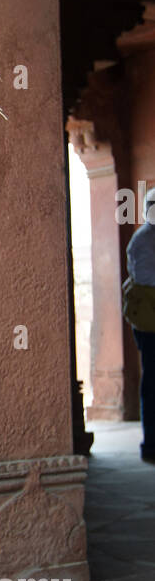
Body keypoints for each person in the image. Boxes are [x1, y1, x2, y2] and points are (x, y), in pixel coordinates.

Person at [123, 185, 155, 464]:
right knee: (153, 383)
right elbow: (145, 278)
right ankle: (152, 445)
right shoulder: (143, 240)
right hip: (149, 323)